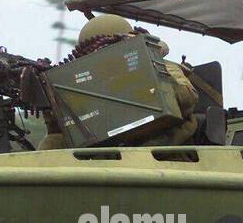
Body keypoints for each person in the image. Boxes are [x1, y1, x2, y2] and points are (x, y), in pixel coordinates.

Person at [38, 14, 199, 149]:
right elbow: (66, 135)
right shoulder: (86, 84)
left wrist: (150, 71)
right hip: (107, 158)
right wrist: (52, 109)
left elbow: (187, 100)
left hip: (164, 151)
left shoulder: (163, 67)